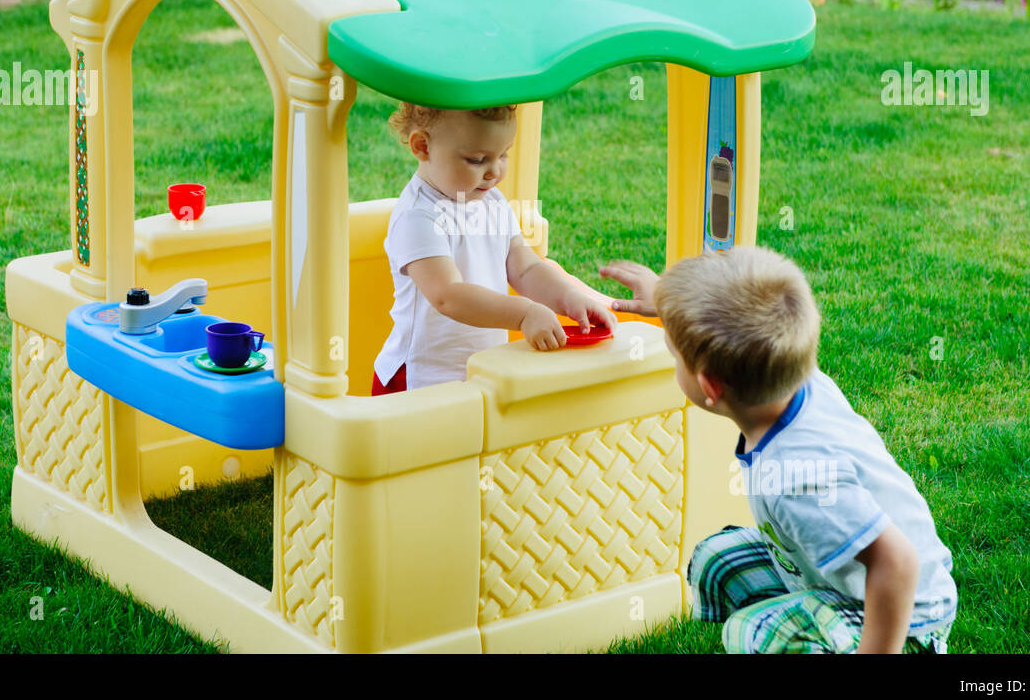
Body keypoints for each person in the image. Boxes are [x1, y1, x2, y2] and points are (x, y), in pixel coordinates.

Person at [599, 248, 958, 653]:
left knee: (749, 632)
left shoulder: (797, 479)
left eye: (673, 353)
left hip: (906, 613)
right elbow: (742, 329)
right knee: (717, 562)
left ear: (710, 387)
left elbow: (897, 563)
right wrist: (668, 300)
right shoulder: (790, 375)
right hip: (837, 577)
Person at [373, 101, 617, 394]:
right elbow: (448, 295)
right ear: (423, 146)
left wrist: (567, 298)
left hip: (480, 374)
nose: (494, 172)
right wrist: (523, 314)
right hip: (418, 380)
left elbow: (525, 268)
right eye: (477, 159)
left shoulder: (492, 201)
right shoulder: (418, 216)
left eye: (503, 154)